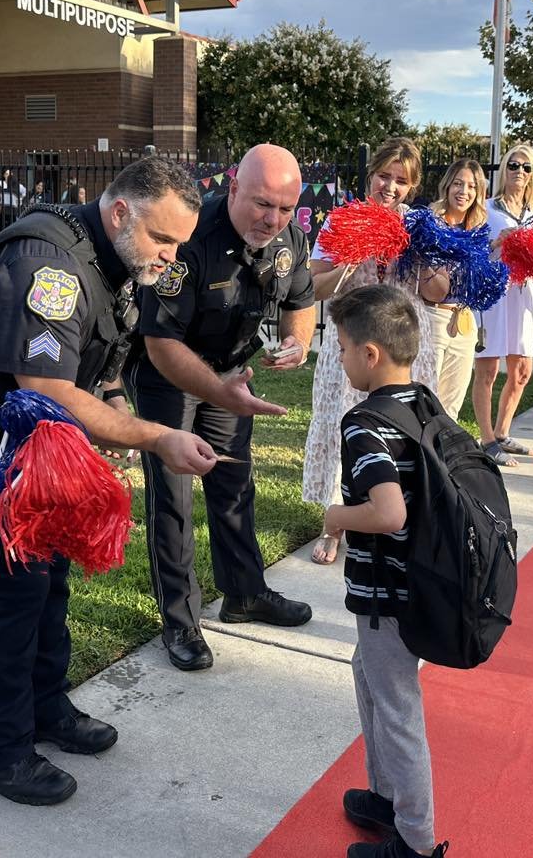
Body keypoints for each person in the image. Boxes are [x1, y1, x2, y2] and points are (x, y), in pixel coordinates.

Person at [0, 157, 216, 805]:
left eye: (179, 244)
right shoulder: (47, 264)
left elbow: (100, 369)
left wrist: (113, 421)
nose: (171, 256)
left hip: (35, 456)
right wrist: (156, 437)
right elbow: (46, 387)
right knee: (9, 604)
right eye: (163, 239)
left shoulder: (111, 262)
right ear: (119, 213)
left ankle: (47, 710)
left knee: (47, 590)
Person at [125, 144, 317, 673]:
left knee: (234, 482)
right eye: (261, 205)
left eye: (284, 208)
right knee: (174, 495)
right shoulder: (191, 239)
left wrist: (296, 343)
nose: (272, 220)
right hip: (170, 371)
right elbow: (161, 343)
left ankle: (244, 593)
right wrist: (216, 390)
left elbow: (301, 302)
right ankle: (181, 620)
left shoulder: (290, 237)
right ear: (232, 189)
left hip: (232, 372)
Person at [320, 283, 450, 858]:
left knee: (396, 703)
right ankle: (386, 796)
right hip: (417, 583)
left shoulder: (365, 421)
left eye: (343, 346)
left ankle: (415, 840)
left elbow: (388, 512)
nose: (341, 355)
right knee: (370, 677)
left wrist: (336, 517)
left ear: (370, 354)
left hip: (387, 593)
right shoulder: (422, 402)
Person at [302, 138, 439, 564]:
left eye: (402, 181)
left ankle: (397, 516)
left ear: (412, 186)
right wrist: (350, 255)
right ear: (371, 174)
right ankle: (335, 525)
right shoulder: (340, 221)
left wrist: (427, 255)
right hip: (351, 342)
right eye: (384, 176)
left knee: (400, 432)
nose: (391, 187)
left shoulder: (419, 225)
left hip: (402, 345)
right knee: (343, 426)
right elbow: (312, 288)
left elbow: (438, 293)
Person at [471, 145, 533, 466]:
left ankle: (502, 431)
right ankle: (486, 439)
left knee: (523, 370)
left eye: (526, 167)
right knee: (488, 369)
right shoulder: (486, 208)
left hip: (522, 295)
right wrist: (498, 242)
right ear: (504, 169)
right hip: (494, 295)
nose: (519, 171)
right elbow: (471, 251)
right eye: (513, 164)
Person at [424, 158, 488, 421]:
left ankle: (443, 459)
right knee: (426, 399)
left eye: (471, 186)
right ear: (448, 185)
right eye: (459, 184)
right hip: (434, 317)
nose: (464, 192)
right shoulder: (431, 222)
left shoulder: (478, 229)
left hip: (464, 321)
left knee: (451, 406)